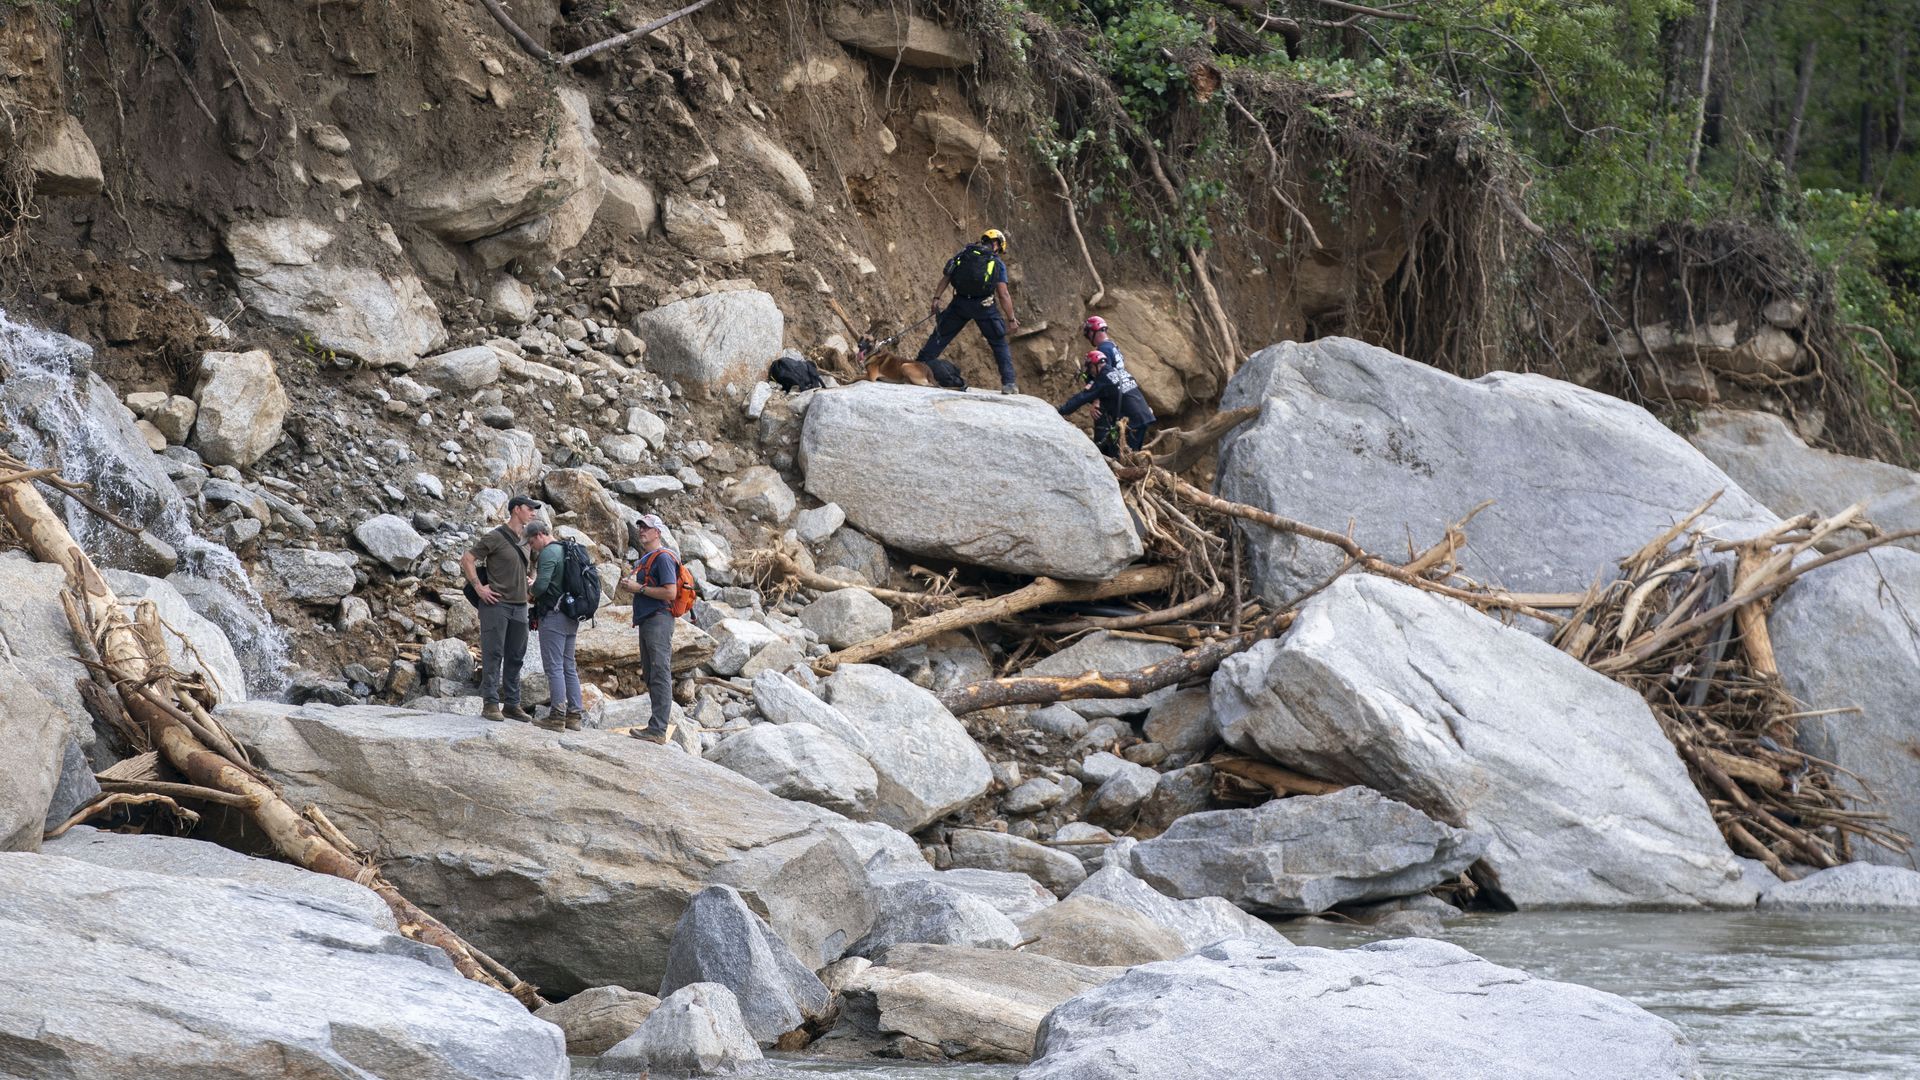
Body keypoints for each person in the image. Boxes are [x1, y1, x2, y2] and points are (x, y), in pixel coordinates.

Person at [915, 228, 1023, 394]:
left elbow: (947, 277)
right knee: (999, 343)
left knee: (941, 335)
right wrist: (1011, 319)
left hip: (960, 304)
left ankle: (918, 366)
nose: (999, 252)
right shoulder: (996, 263)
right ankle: (1008, 383)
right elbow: (1003, 294)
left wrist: (936, 298)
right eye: (1000, 249)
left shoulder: (964, 254)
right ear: (996, 244)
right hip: (985, 307)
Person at [461, 495, 540, 722]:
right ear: (516, 510)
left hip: (520, 606)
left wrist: (532, 579)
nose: (533, 513)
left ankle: (512, 704)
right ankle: (491, 703)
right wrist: (479, 588)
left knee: (516, 656)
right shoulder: (494, 536)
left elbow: (534, 563)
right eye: (529, 509)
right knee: (493, 653)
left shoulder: (526, 538)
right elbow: (467, 559)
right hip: (496, 605)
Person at [617, 513, 679, 744]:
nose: (642, 531)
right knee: (652, 671)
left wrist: (639, 589)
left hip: (659, 619)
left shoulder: (663, 558)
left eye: (647, 528)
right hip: (648, 620)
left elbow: (670, 593)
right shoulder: (648, 558)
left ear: (658, 533)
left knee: (659, 671)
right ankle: (656, 726)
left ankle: (658, 729)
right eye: (640, 527)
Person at [527, 521, 583, 732]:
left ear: (541, 535)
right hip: (571, 615)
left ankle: (557, 716)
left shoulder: (549, 553)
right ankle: (575, 715)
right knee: (569, 665)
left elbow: (542, 586)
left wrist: (531, 589)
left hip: (554, 616)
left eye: (532, 541)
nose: (532, 546)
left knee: (554, 666)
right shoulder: (566, 549)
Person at [1059, 349, 1156, 456]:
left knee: (1120, 455)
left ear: (1096, 365)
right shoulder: (1122, 372)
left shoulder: (1104, 378)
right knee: (1133, 453)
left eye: (1090, 367)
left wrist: (1061, 411)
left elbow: (1081, 398)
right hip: (1145, 416)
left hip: (1132, 423)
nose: (1090, 371)